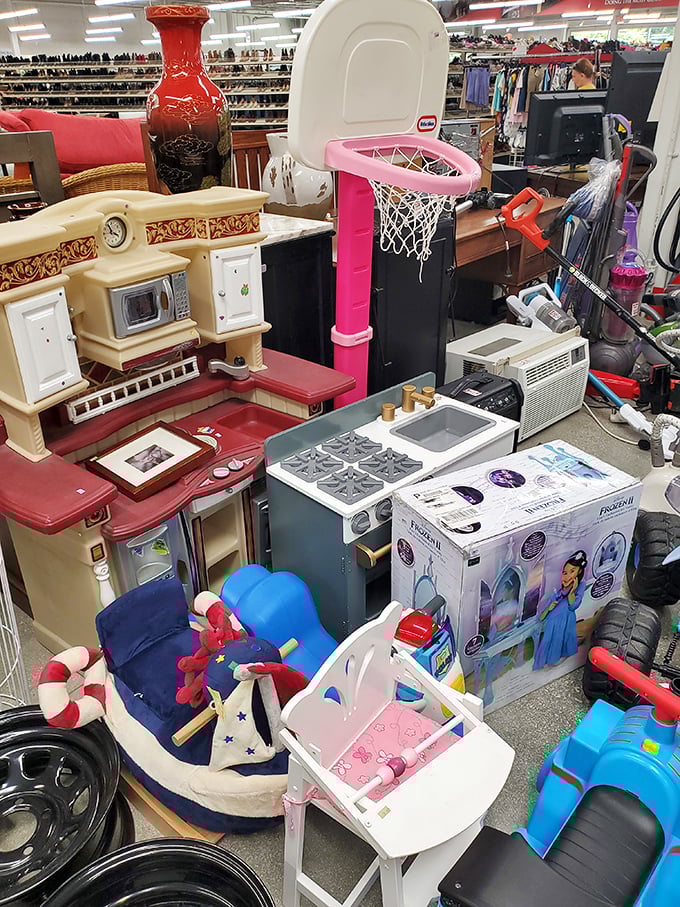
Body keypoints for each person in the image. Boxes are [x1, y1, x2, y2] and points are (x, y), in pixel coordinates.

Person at [533, 550, 588, 670]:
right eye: (564, 573)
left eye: (572, 571)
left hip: (564, 619)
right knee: (550, 637)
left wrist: (573, 590)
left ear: (579, 572)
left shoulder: (580, 586)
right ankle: (547, 659)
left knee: (562, 632)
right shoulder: (557, 594)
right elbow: (541, 617)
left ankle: (557, 656)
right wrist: (549, 608)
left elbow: (573, 605)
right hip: (553, 621)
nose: (567, 576)